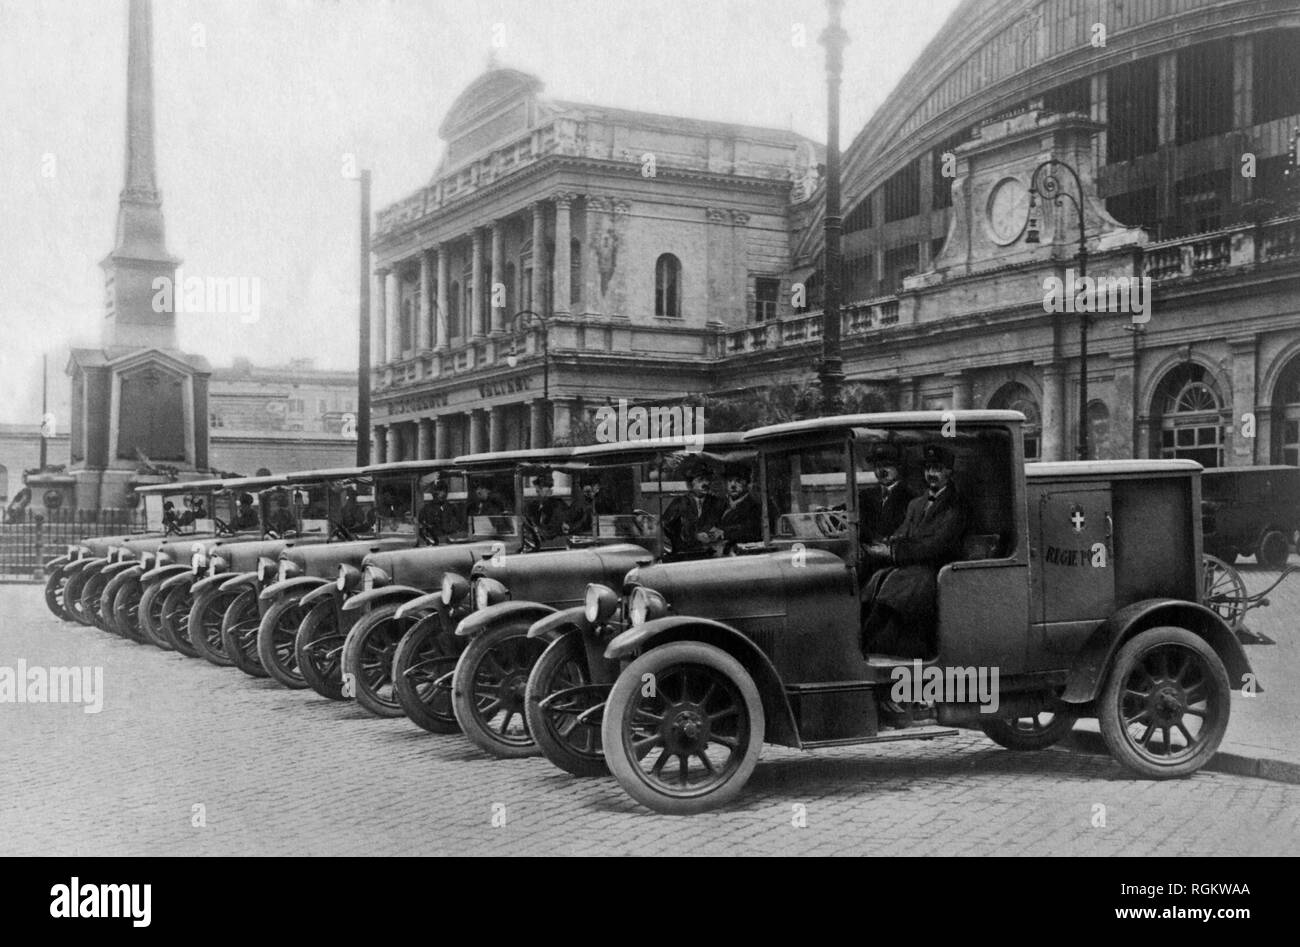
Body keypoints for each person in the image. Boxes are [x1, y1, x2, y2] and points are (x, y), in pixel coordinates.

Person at [861, 443, 967, 659]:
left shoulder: (956, 507)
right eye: (928, 469)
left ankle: (872, 645)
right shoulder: (916, 504)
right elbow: (902, 533)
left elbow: (935, 546)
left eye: (937, 469)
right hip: (910, 568)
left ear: (949, 472)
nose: (931, 475)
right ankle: (867, 644)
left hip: (937, 571)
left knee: (898, 590)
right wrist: (887, 545)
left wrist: (892, 552)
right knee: (877, 581)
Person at [661, 457, 726, 554]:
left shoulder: (717, 502)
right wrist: (693, 537)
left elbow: (724, 523)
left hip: (712, 551)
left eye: (707, 480)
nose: (705, 484)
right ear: (690, 484)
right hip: (685, 552)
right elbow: (666, 526)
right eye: (700, 480)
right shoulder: (680, 502)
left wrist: (719, 532)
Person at [700, 463, 763, 550]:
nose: (733, 485)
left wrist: (723, 533)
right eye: (729, 481)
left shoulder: (754, 506)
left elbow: (752, 531)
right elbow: (707, 522)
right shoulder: (719, 504)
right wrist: (706, 533)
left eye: (738, 481)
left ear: (747, 483)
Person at [525, 471, 568, 542]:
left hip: (556, 542)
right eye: (538, 491)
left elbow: (562, 524)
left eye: (549, 489)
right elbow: (530, 524)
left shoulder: (559, 504)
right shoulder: (531, 506)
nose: (538, 493)